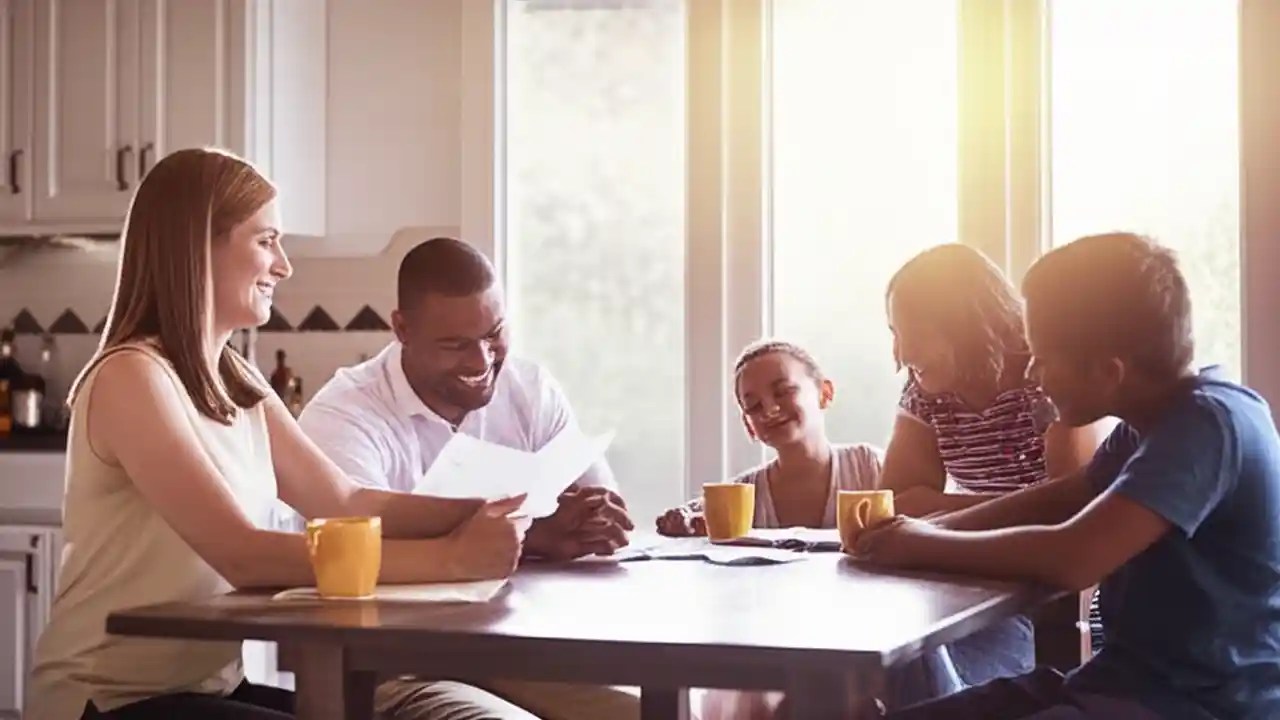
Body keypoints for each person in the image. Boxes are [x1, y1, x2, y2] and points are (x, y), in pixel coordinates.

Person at [26, 149, 533, 720]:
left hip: (207, 688)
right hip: (107, 698)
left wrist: (488, 512)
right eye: (266, 240)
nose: (284, 265)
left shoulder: (233, 376)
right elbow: (245, 554)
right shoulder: (131, 376)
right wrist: (452, 560)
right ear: (200, 248)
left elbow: (344, 501)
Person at [859, 232, 1280, 720]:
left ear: (1108, 371)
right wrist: (930, 529)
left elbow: (1075, 559)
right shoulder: (1147, 424)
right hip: (1115, 684)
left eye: (1042, 357)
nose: (1032, 373)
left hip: (1199, 704)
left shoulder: (1208, 423)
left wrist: (919, 545)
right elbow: (1065, 495)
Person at [298, 237, 637, 720]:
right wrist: (534, 533)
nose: (481, 362)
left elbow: (601, 512)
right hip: (388, 666)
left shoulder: (528, 389)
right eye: (455, 344)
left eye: (494, 334)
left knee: (660, 711)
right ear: (402, 329)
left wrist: (594, 524)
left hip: (515, 649)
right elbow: (352, 558)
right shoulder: (344, 417)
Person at [655, 340, 956, 718]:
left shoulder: (871, 467)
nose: (771, 409)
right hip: (780, 652)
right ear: (748, 425)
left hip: (871, 638)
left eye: (783, 391)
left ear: (825, 393)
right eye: (754, 406)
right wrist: (683, 526)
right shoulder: (739, 495)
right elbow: (693, 522)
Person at [881, 244, 1109, 688]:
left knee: (917, 674)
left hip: (1061, 605)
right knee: (897, 662)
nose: (901, 351)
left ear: (961, 323)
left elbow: (1070, 505)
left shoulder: (1047, 375)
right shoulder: (925, 391)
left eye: (912, 331)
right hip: (980, 587)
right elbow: (898, 504)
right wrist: (1010, 509)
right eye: (894, 331)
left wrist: (942, 510)